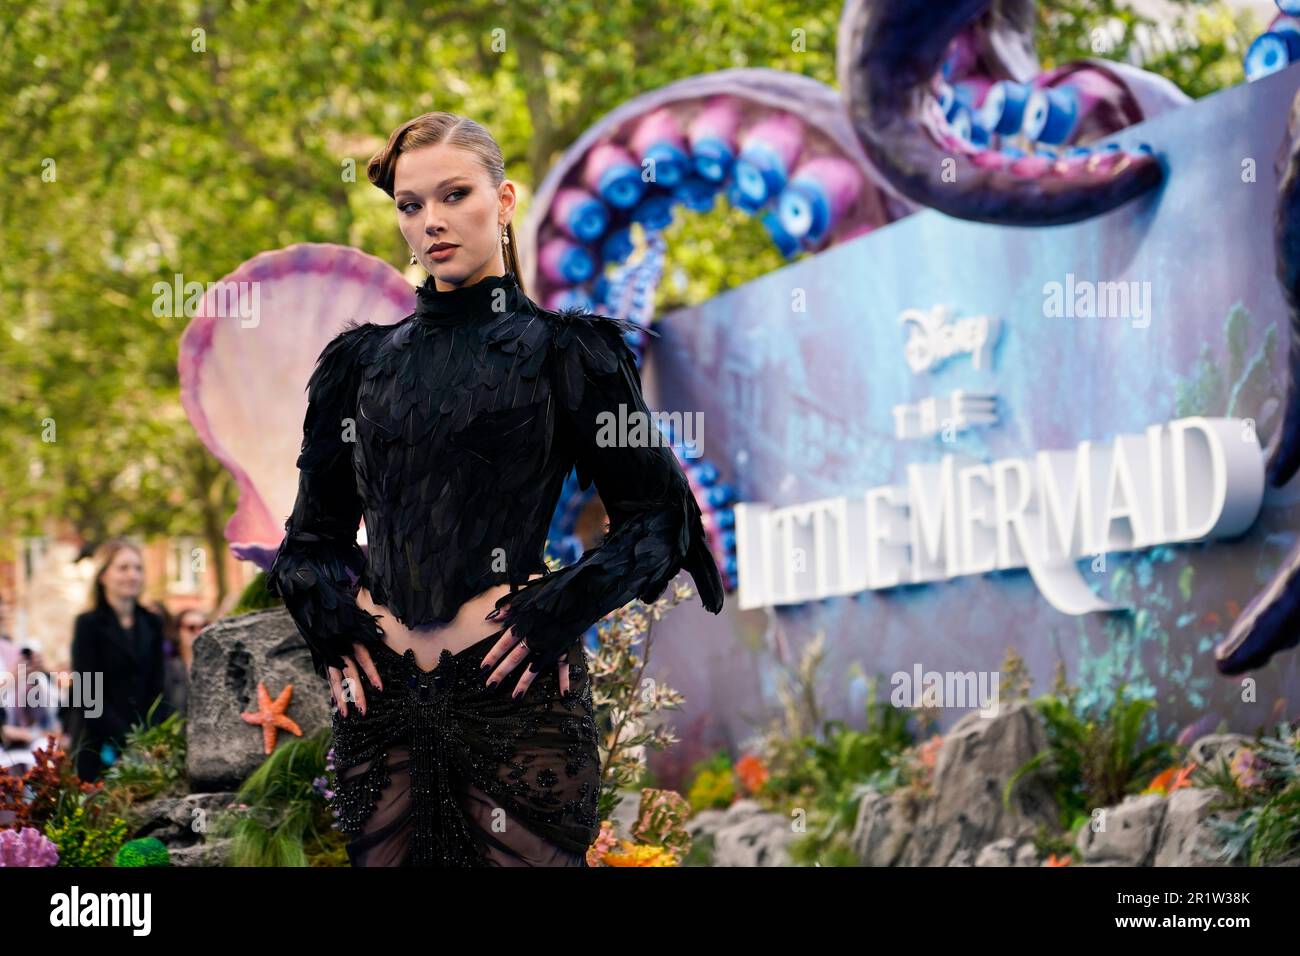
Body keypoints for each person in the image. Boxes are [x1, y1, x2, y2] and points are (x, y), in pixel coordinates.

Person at [266, 111, 725, 867]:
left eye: (455, 196)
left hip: (517, 702)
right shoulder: (357, 366)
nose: (432, 222)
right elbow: (311, 541)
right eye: (411, 205)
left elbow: (658, 520)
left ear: (504, 200)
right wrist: (329, 619)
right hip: (382, 716)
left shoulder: (568, 354)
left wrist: (556, 610)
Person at [68, 539, 177, 781]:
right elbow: (87, 695)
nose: (133, 575)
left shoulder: (152, 622)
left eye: (138, 568)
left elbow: (158, 687)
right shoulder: (88, 624)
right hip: (99, 746)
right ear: (103, 575)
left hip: (146, 748)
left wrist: (152, 738)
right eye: (123, 568)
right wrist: (127, 740)